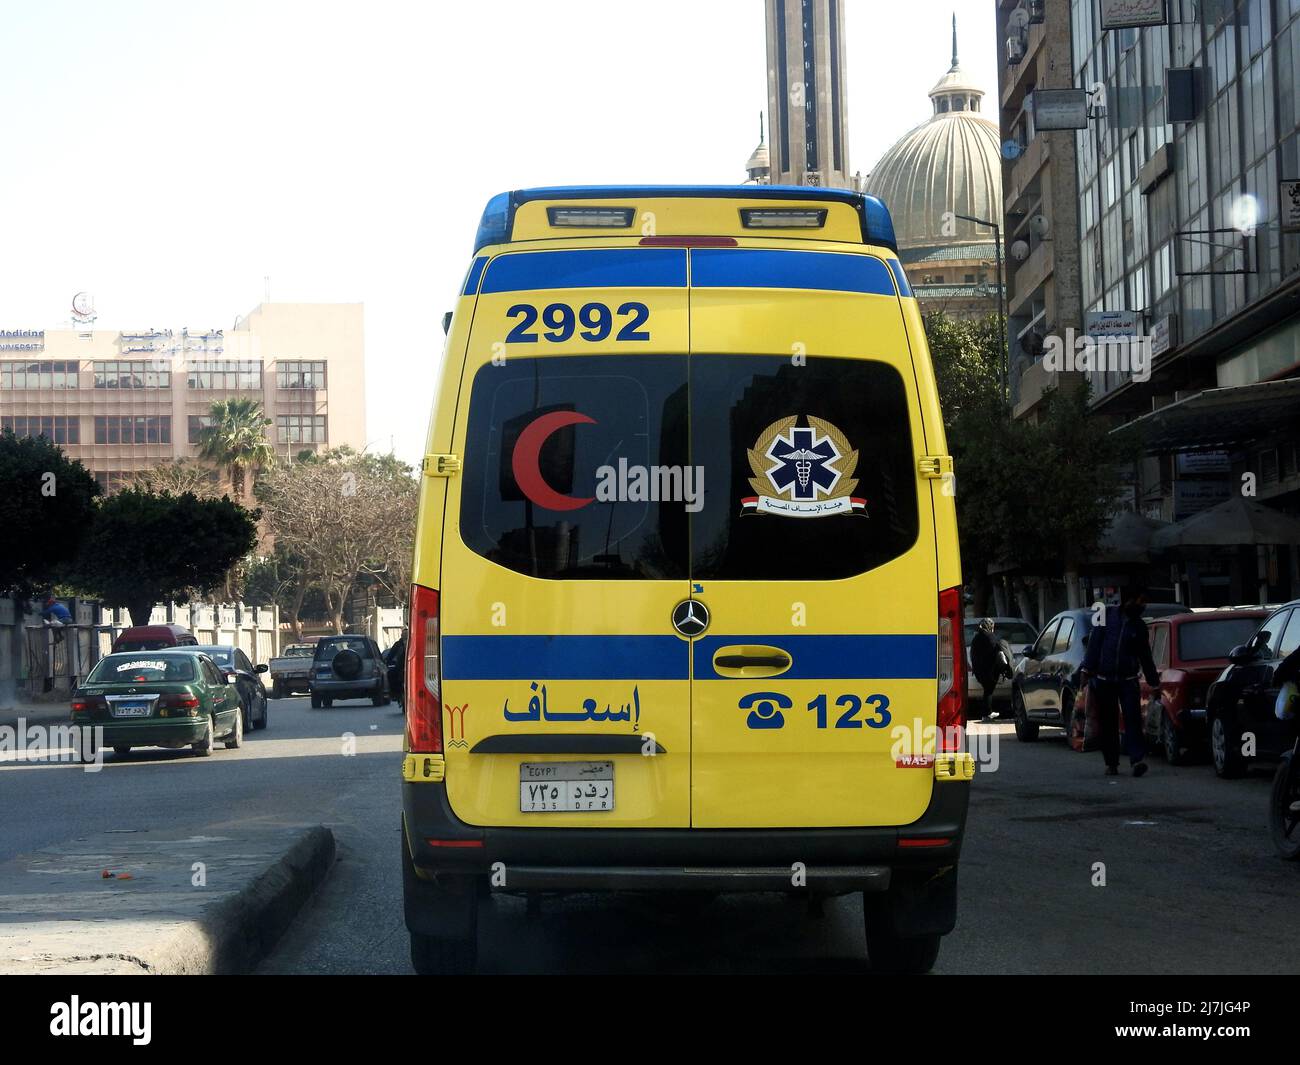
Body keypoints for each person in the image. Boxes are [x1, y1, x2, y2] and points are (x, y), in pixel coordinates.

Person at [1082, 585, 1162, 777]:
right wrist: (1086, 669)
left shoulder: (1139, 626)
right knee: (1108, 723)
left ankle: (1137, 760)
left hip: (1128, 680)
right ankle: (1111, 763)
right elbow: (1094, 644)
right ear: (1128, 601)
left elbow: (1145, 656)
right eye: (1140, 601)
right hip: (1104, 680)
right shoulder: (1106, 616)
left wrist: (1154, 681)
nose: (1142, 606)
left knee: (1133, 720)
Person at [969, 618, 1008, 720]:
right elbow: (996, 651)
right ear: (990, 626)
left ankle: (987, 712)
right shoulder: (990, 637)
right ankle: (986, 713)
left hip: (979, 670)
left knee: (987, 690)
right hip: (989, 670)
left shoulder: (976, 638)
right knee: (988, 691)